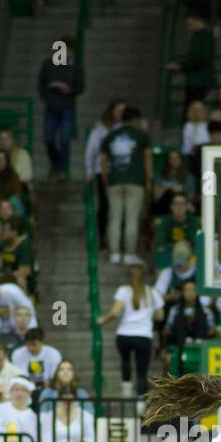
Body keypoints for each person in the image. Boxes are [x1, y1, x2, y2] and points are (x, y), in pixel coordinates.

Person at [97, 263, 164, 397]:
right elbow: (160, 316)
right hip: (143, 335)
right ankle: (140, 403)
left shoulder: (123, 291)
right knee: (141, 371)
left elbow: (115, 312)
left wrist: (103, 319)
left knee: (125, 362)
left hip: (124, 335)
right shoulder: (152, 292)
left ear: (128, 277)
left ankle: (126, 395)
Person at [98, 107, 152, 264]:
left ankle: (114, 253)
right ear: (136, 119)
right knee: (131, 219)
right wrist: (148, 180)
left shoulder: (110, 136)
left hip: (115, 181)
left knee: (114, 218)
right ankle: (129, 253)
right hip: (135, 182)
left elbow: (102, 161)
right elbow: (147, 160)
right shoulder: (141, 136)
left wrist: (106, 181)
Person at [38, 37, 84, 180]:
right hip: (51, 106)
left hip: (66, 107)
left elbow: (80, 87)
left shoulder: (76, 67)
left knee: (64, 139)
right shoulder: (48, 64)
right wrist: (47, 97)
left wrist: (69, 91)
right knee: (49, 139)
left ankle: (62, 170)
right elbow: (41, 84)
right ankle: (56, 163)